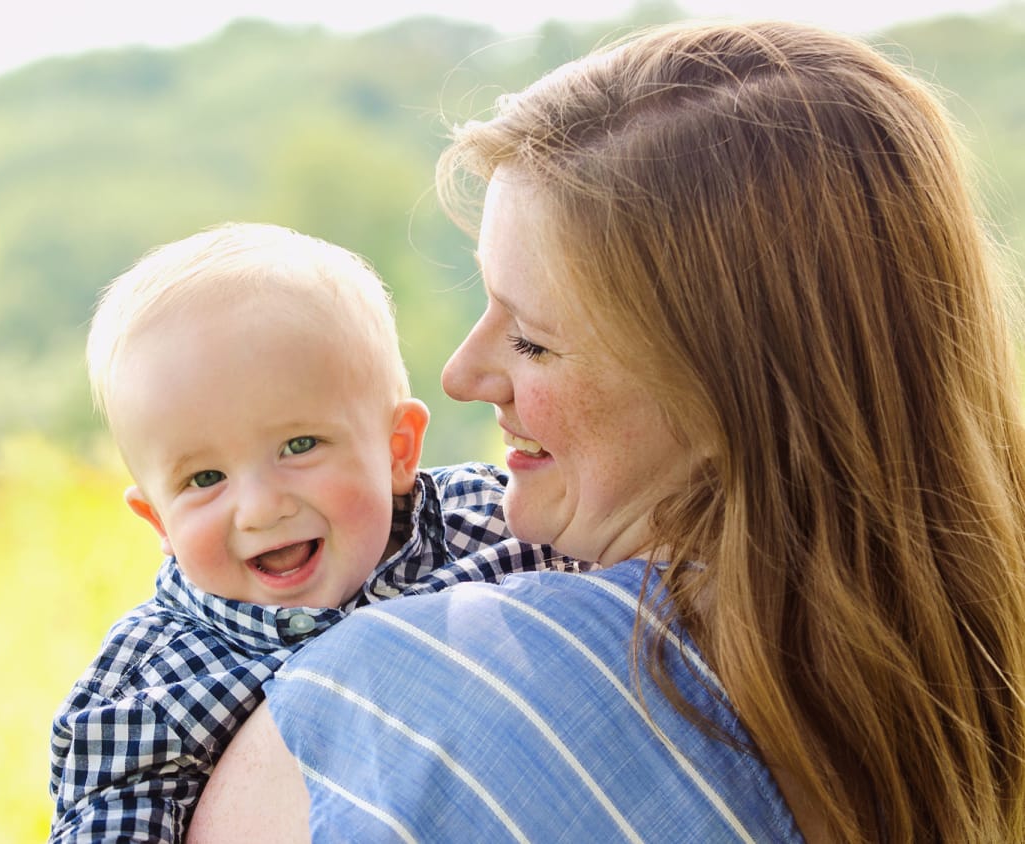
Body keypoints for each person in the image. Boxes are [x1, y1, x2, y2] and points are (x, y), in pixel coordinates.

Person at [188, 20, 1025, 844]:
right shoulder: (973, 694)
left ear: (728, 393)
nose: (462, 375)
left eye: (533, 341)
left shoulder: (414, 710)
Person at [49, 222, 569, 842]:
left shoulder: (492, 522)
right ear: (159, 521)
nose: (260, 509)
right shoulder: (151, 681)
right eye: (205, 477)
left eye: (299, 446)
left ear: (397, 449)